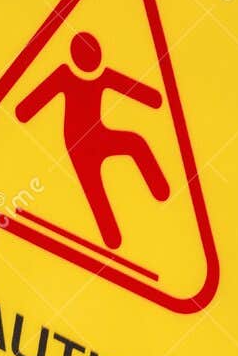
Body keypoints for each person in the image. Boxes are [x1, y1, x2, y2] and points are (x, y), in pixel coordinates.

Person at [15, 31, 170, 249]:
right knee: (95, 190)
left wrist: (154, 98)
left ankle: (164, 194)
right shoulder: (63, 76)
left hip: (99, 135)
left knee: (135, 143)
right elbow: (26, 109)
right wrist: (25, 111)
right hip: (78, 145)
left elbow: (147, 95)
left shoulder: (103, 76)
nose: (91, 59)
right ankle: (112, 240)